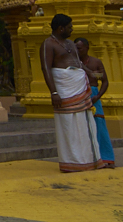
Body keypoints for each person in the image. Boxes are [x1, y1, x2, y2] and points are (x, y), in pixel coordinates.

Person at [41, 13, 103, 172]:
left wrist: (91, 73)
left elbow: (79, 64)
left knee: (86, 123)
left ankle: (89, 159)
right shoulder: (48, 44)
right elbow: (46, 68)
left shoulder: (70, 43)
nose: (72, 29)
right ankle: (72, 161)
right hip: (64, 88)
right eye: (69, 27)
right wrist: (54, 93)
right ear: (60, 28)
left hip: (79, 85)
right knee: (68, 125)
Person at [75, 38, 116, 169]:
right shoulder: (73, 63)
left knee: (99, 125)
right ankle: (86, 158)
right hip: (78, 95)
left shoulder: (95, 62)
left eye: (79, 48)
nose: (77, 50)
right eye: (75, 48)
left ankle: (106, 157)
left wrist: (97, 96)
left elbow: (104, 81)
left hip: (93, 96)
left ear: (87, 47)